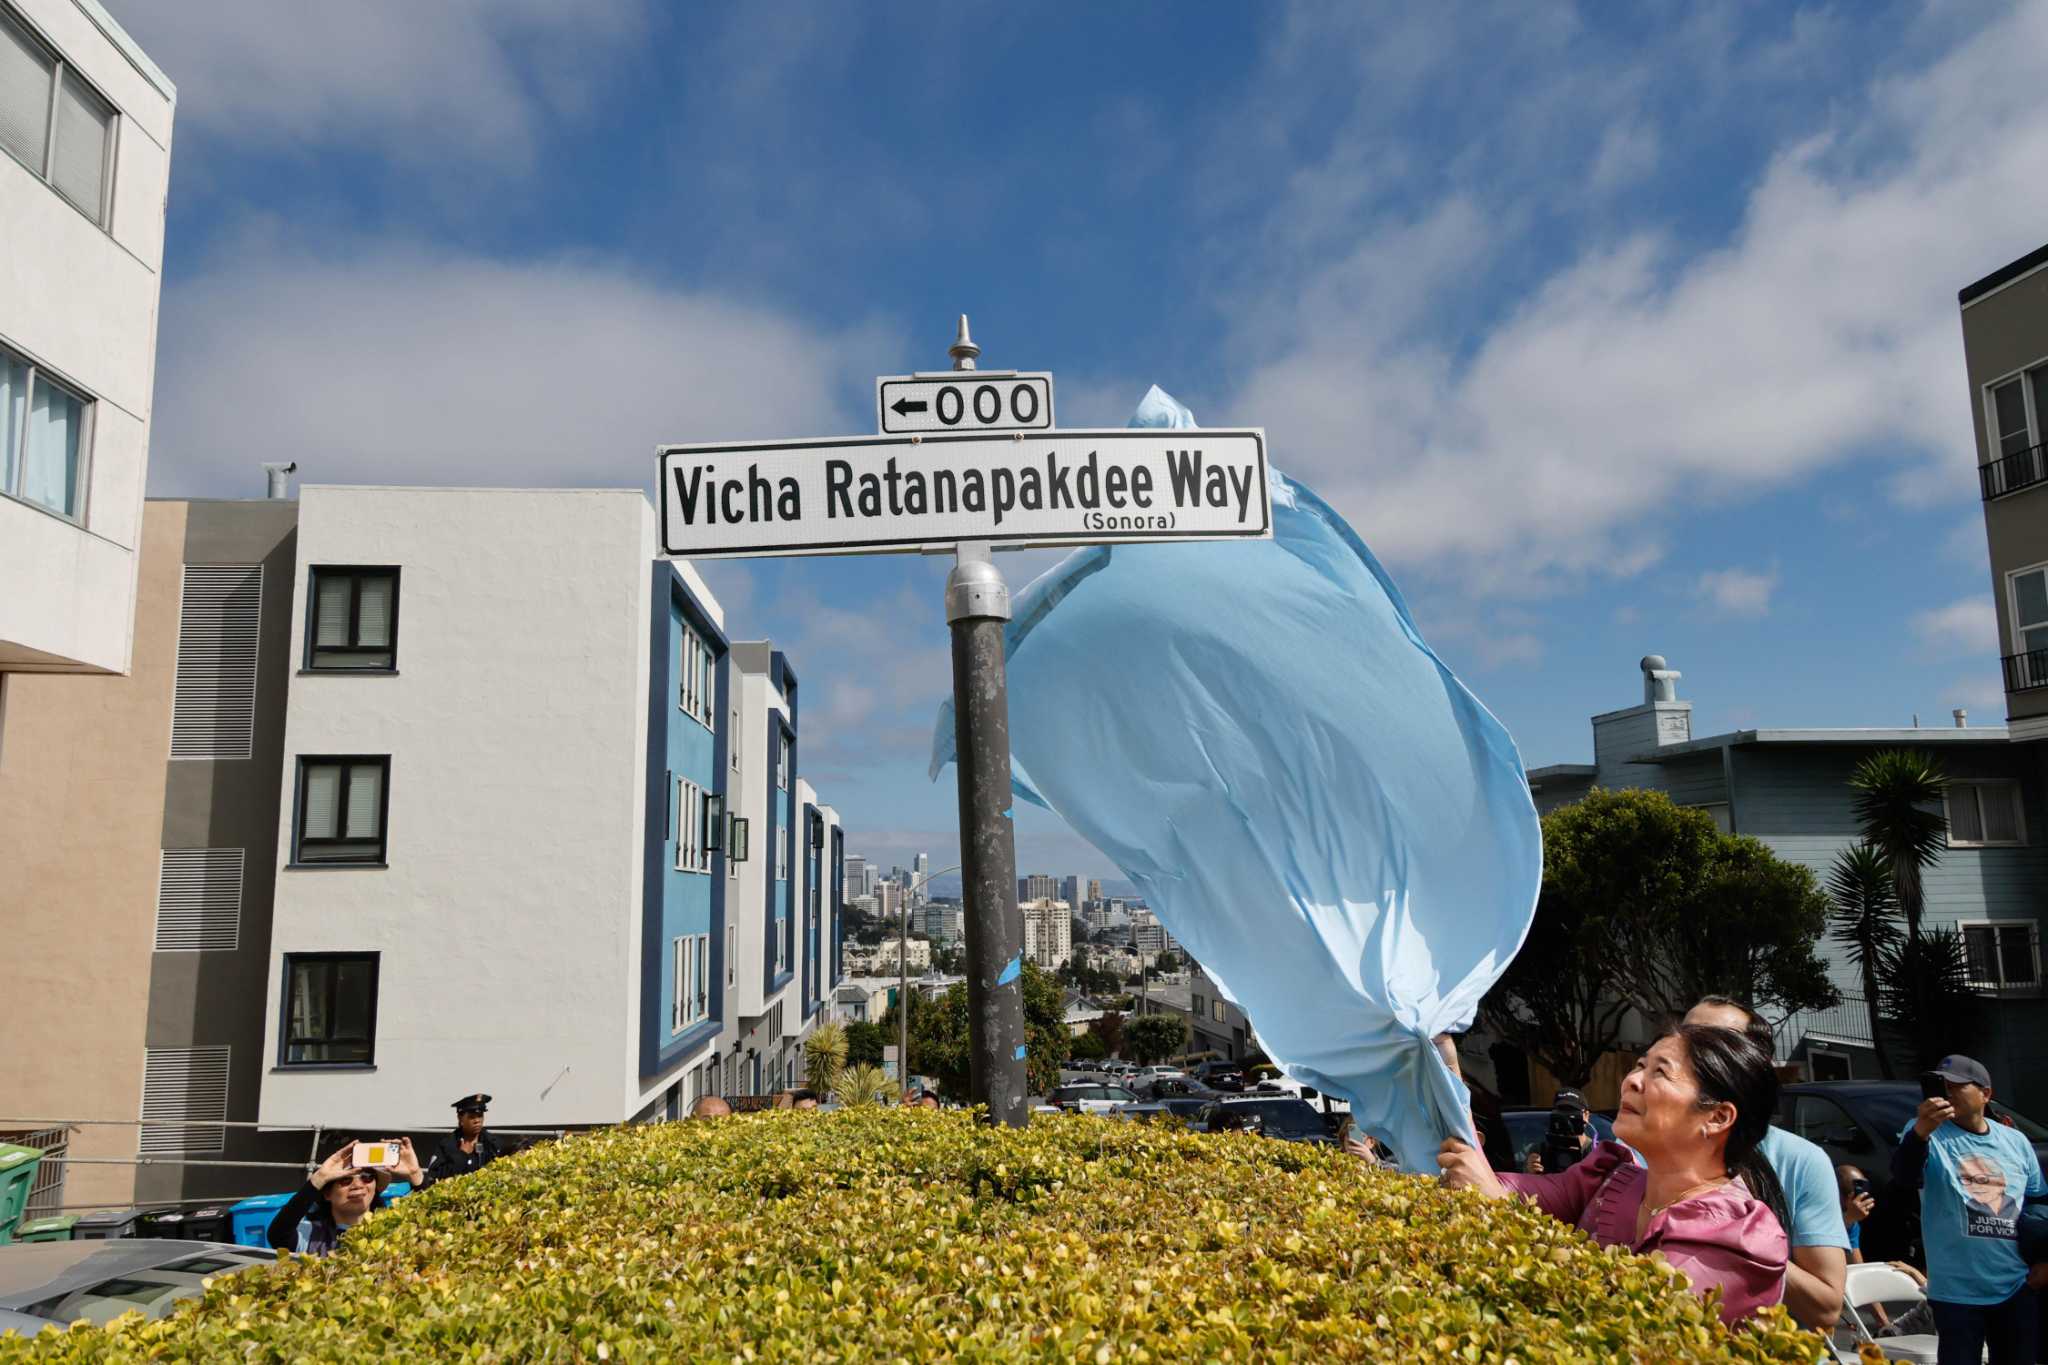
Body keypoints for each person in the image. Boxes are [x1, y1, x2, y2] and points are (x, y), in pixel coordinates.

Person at [1439, 1024, 1789, 1327]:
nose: (1632, 1081)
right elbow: (1490, 1186)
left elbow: (1619, 1325)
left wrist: (1496, 1209)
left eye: (1660, 1072)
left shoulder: (1736, 1237)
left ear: (1717, 1118)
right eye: (1639, 1065)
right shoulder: (1611, 1179)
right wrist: (1449, 1072)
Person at [1684, 996, 1849, 1332]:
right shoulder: (1633, 1154)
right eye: (1683, 1037)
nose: (1684, 1051)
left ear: (1755, 1063)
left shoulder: (1802, 1161)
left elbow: (1826, 1307)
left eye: (1712, 1042)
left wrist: (1737, 1235)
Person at [1891, 1054, 2048, 1364]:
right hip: (1955, 1292)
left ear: (1985, 1094)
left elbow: (2039, 1202)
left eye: (1956, 1086)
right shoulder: (1924, 1131)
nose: (1946, 1093)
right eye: (1941, 1086)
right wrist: (1921, 1132)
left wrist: (2045, 1259)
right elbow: (1904, 1177)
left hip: (2015, 1285)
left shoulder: (2015, 1141)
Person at [267, 1138, 424, 1255]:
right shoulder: (310, 1233)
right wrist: (319, 1178)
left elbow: (432, 1224)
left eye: (367, 1177)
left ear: (375, 1187)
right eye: (345, 1180)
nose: (358, 1185)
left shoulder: (395, 1230)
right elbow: (278, 1235)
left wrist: (415, 1175)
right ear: (327, 1194)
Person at [420, 1093, 505, 1189]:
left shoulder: (493, 1143)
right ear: (460, 1118)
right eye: (472, 1117)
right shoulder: (448, 1144)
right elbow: (433, 1176)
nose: (477, 1120)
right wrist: (461, 1156)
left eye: (480, 1115)